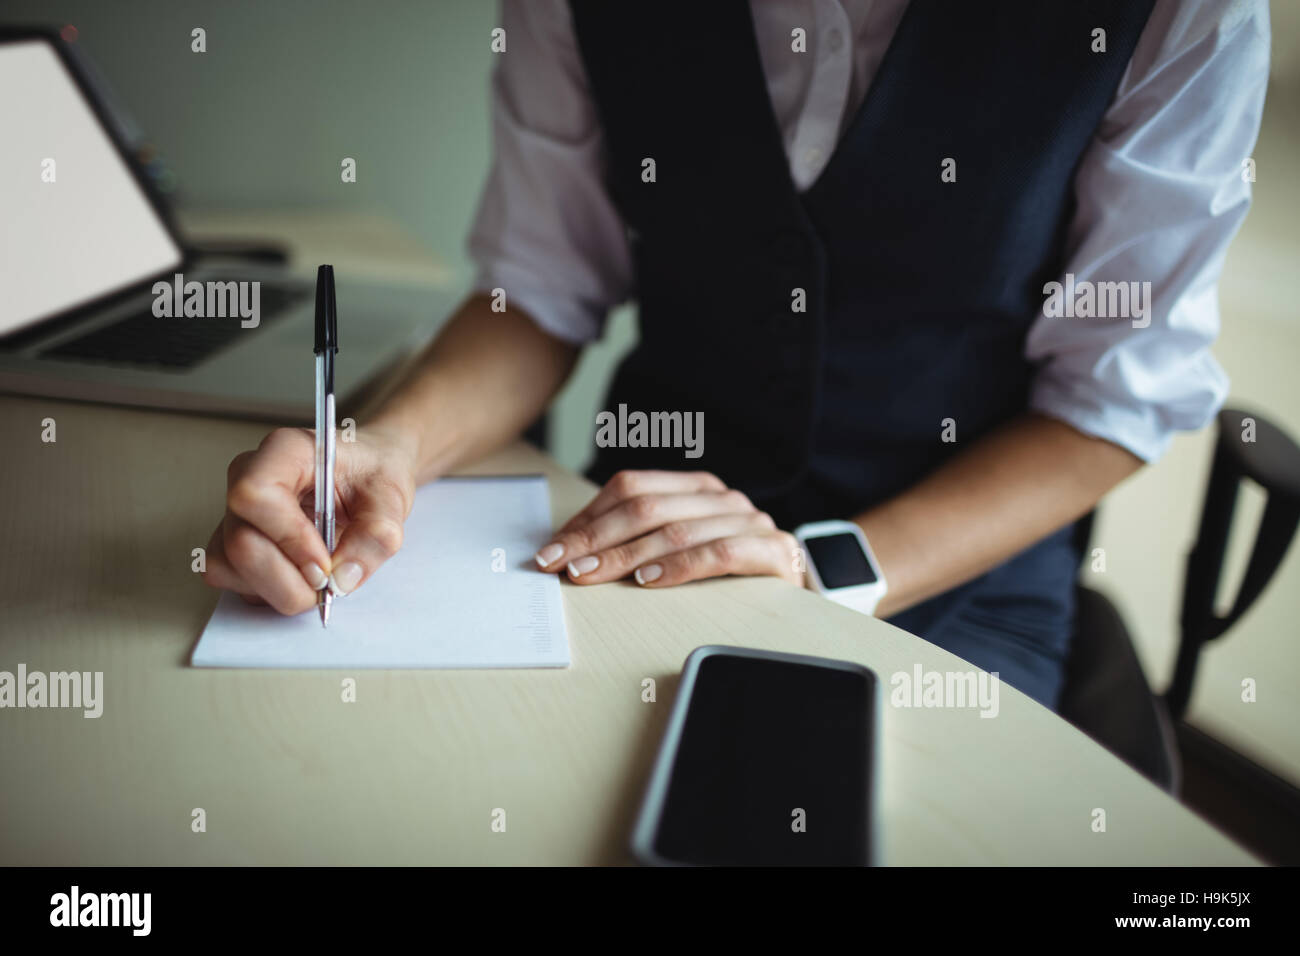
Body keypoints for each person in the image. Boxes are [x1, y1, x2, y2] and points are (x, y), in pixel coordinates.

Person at [202, 0, 1269, 710]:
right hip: (625, 528)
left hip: (948, 571)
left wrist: (817, 567)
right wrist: (388, 440)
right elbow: (538, 287)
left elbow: (1113, 399)